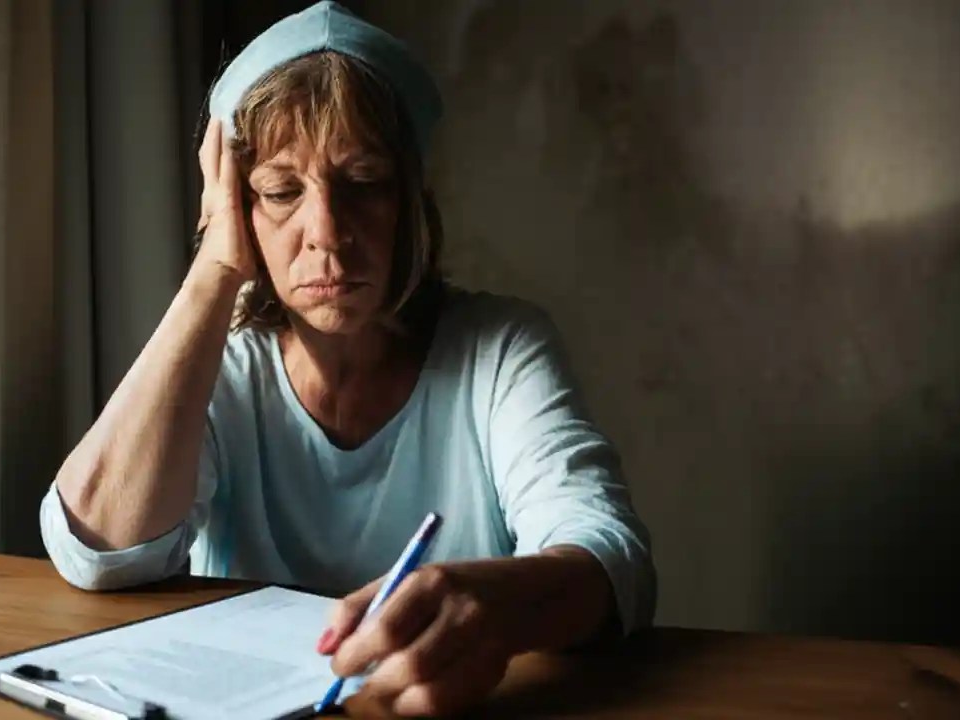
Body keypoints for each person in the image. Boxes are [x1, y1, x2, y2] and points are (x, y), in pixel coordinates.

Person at [41, 1, 655, 715]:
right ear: (236, 202)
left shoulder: (499, 349)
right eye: (279, 191)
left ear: (411, 202)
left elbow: (611, 554)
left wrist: (491, 605)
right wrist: (213, 269)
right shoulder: (222, 364)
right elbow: (98, 549)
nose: (326, 234)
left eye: (363, 183)